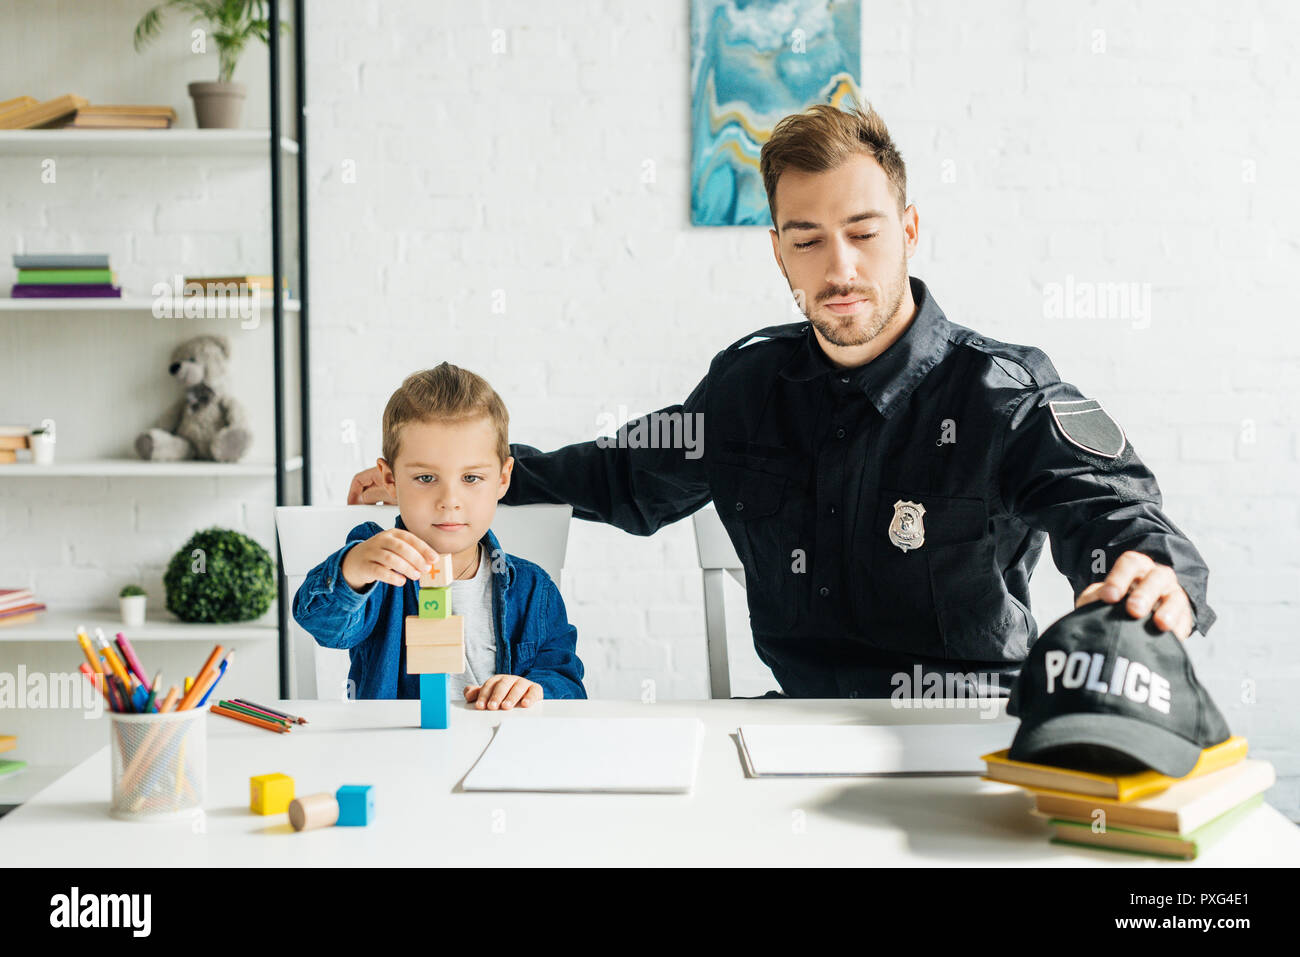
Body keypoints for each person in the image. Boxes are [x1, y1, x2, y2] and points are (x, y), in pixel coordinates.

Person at [349, 103, 1213, 699]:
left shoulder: (999, 394)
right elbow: (616, 477)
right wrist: (456, 481)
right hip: (788, 727)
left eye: (864, 232)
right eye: (807, 239)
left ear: (908, 230)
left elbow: (1107, 505)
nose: (839, 267)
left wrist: (1145, 569)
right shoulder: (747, 388)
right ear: (778, 252)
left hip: (968, 727)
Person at [299, 363, 585, 709]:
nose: (449, 501)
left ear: (503, 479)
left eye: (471, 479)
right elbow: (326, 626)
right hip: (397, 753)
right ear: (390, 480)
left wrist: (535, 690)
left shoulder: (534, 589)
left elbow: (568, 686)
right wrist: (352, 570)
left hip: (503, 752)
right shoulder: (377, 571)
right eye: (425, 478)